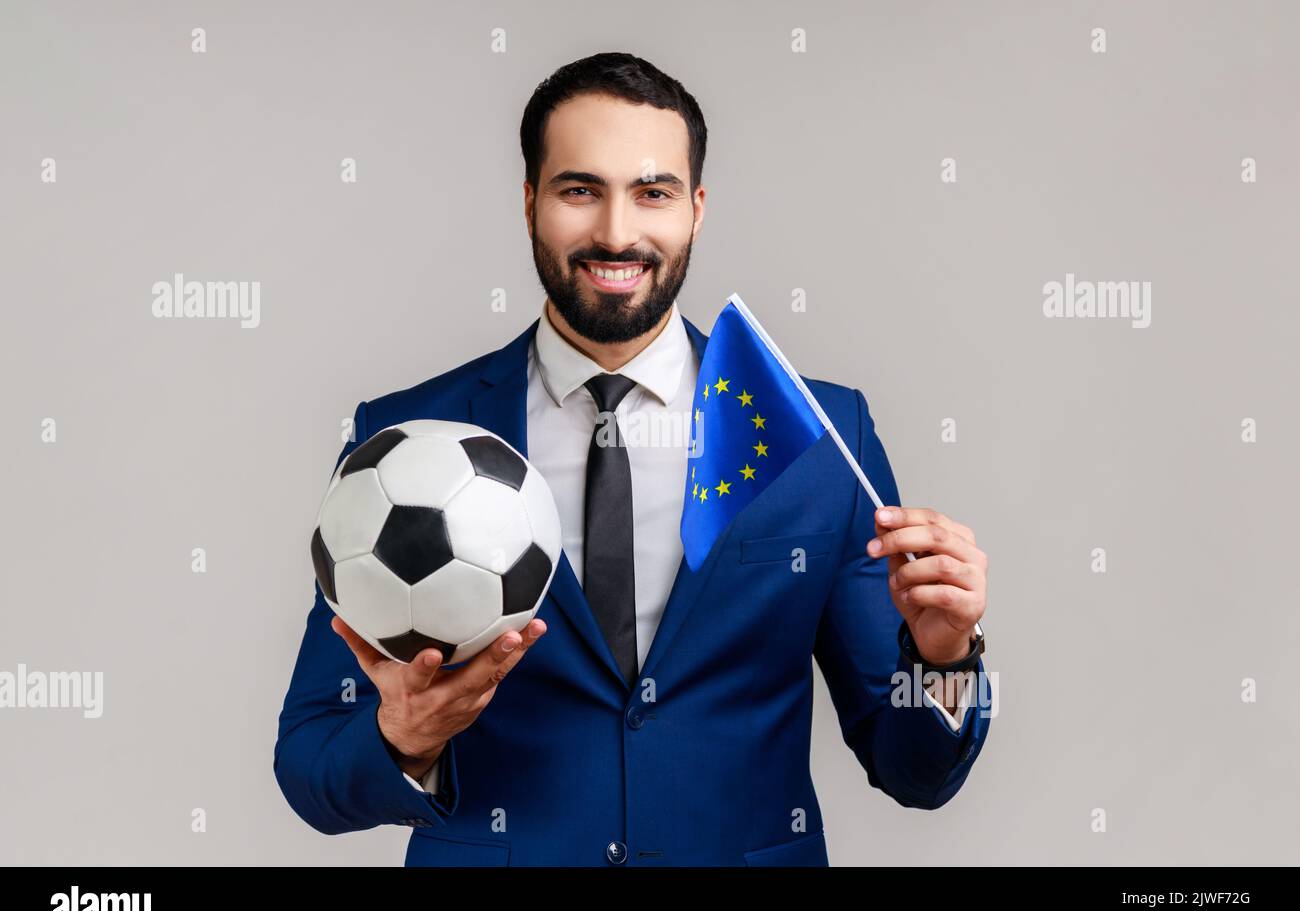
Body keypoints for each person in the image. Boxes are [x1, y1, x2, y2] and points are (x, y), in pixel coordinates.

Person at [275, 52, 991, 866]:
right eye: (580, 190)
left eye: (652, 193)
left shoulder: (822, 437)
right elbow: (308, 764)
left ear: (696, 209)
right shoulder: (405, 440)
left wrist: (944, 659)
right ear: (529, 203)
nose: (617, 232)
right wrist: (399, 737)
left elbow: (917, 773)